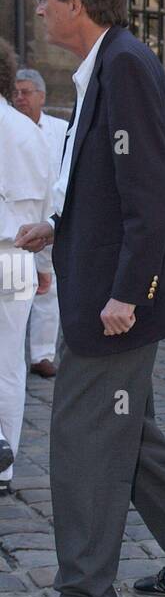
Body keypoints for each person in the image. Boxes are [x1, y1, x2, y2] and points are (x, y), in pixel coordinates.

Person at [8, 0, 165, 597]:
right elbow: (102, 181)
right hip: (96, 283)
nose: (39, 8)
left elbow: (152, 190)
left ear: (77, 3)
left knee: (81, 440)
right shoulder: (107, 65)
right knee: (128, 432)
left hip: (112, 302)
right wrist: (60, 226)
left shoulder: (127, 66)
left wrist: (128, 292)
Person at [0, 41, 52, 496]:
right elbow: (48, 205)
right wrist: (42, 262)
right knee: (11, 361)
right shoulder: (28, 130)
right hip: (17, 253)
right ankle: (4, 466)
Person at [14, 67, 68, 377]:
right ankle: (12, 350)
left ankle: (42, 354)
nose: (20, 98)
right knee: (17, 290)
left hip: (51, 215)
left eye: (26, 92)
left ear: (42, 96)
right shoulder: (8, 129)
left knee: (49, 290)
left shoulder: (60, 131)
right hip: (17, 222)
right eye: (16, 92)